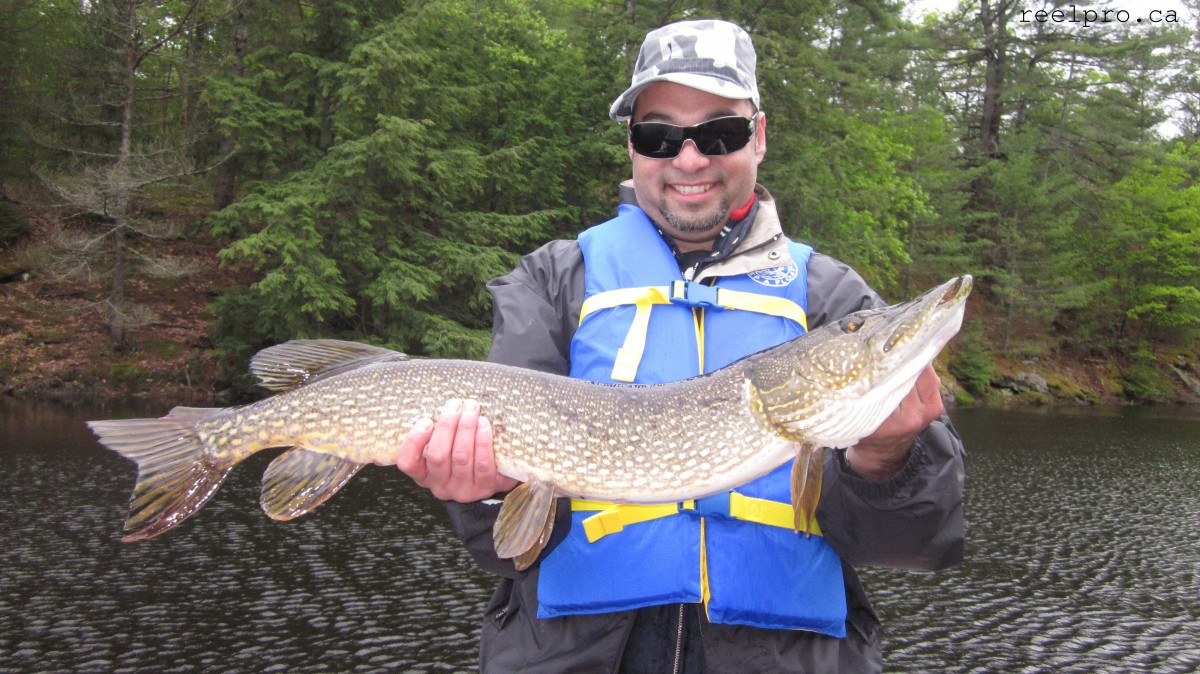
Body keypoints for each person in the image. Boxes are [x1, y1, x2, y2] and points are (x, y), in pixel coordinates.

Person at [395, 19, 965, 673]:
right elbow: (507, 546)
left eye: (719, 133)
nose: (688, 159)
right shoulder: (555, 281)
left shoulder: (830, 295)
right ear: (632, 145)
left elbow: (920, 542)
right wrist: (482, 493)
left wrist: (888, 455)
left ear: (760, 136)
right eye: (659, 135)